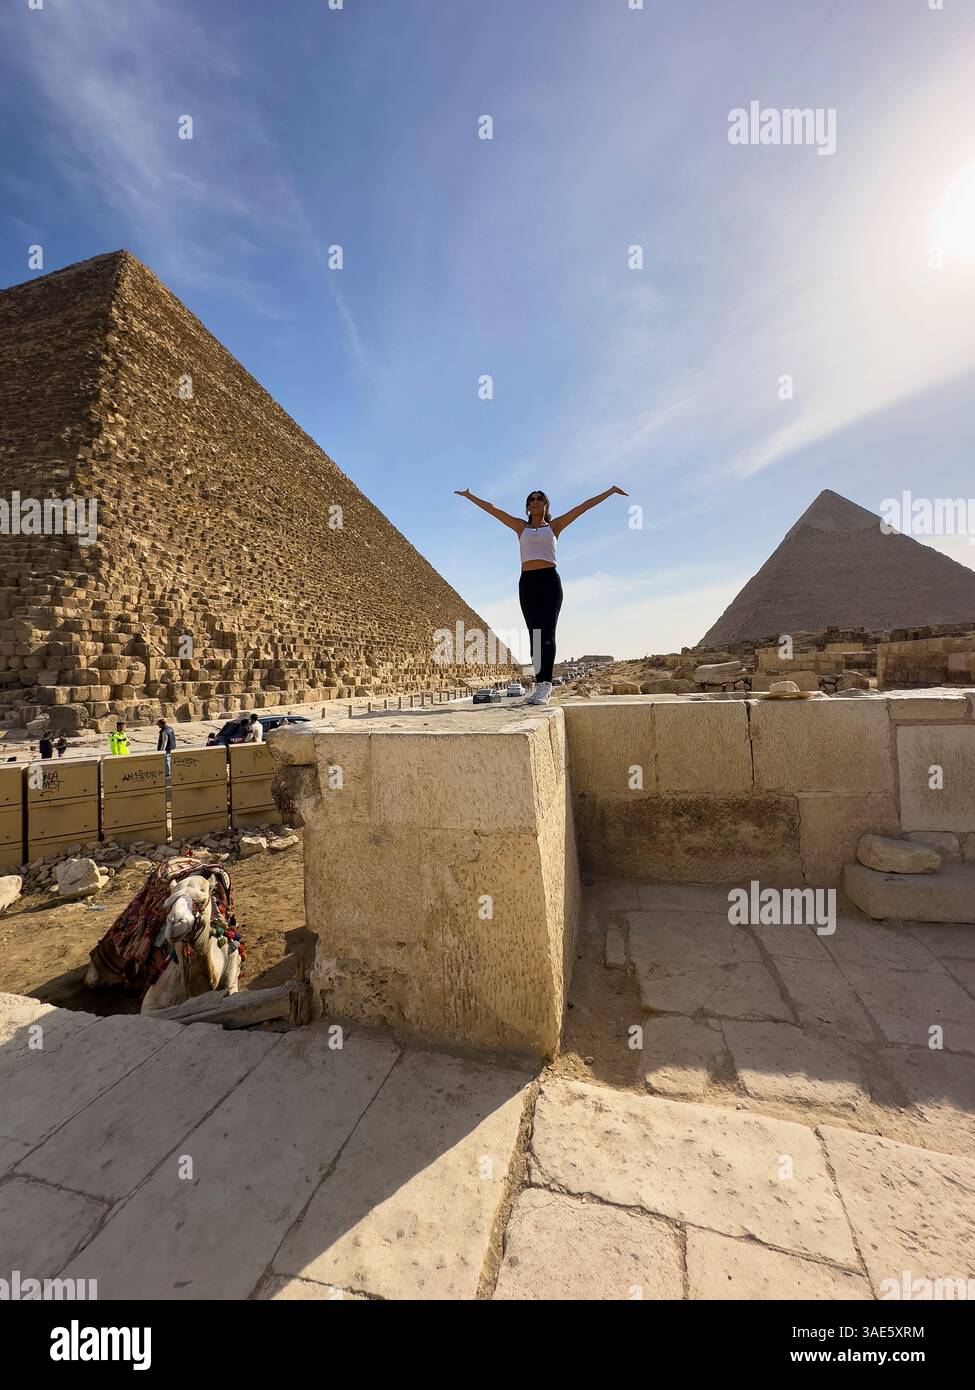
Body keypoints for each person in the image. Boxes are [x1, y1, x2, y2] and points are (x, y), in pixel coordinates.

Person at [455, 484, 628, 704]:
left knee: (548, 634)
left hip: (549, 582)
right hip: (527, 583)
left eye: (540, 499)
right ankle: (539, 683)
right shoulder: (520, 528)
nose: (535, 502)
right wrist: (470, 496)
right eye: (531, 500)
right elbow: (494, 510)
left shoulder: (555, 526)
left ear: (546, 505)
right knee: (534, 635)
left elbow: (583, 507)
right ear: (527, 507)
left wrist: (610, 491)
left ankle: (546, 685)